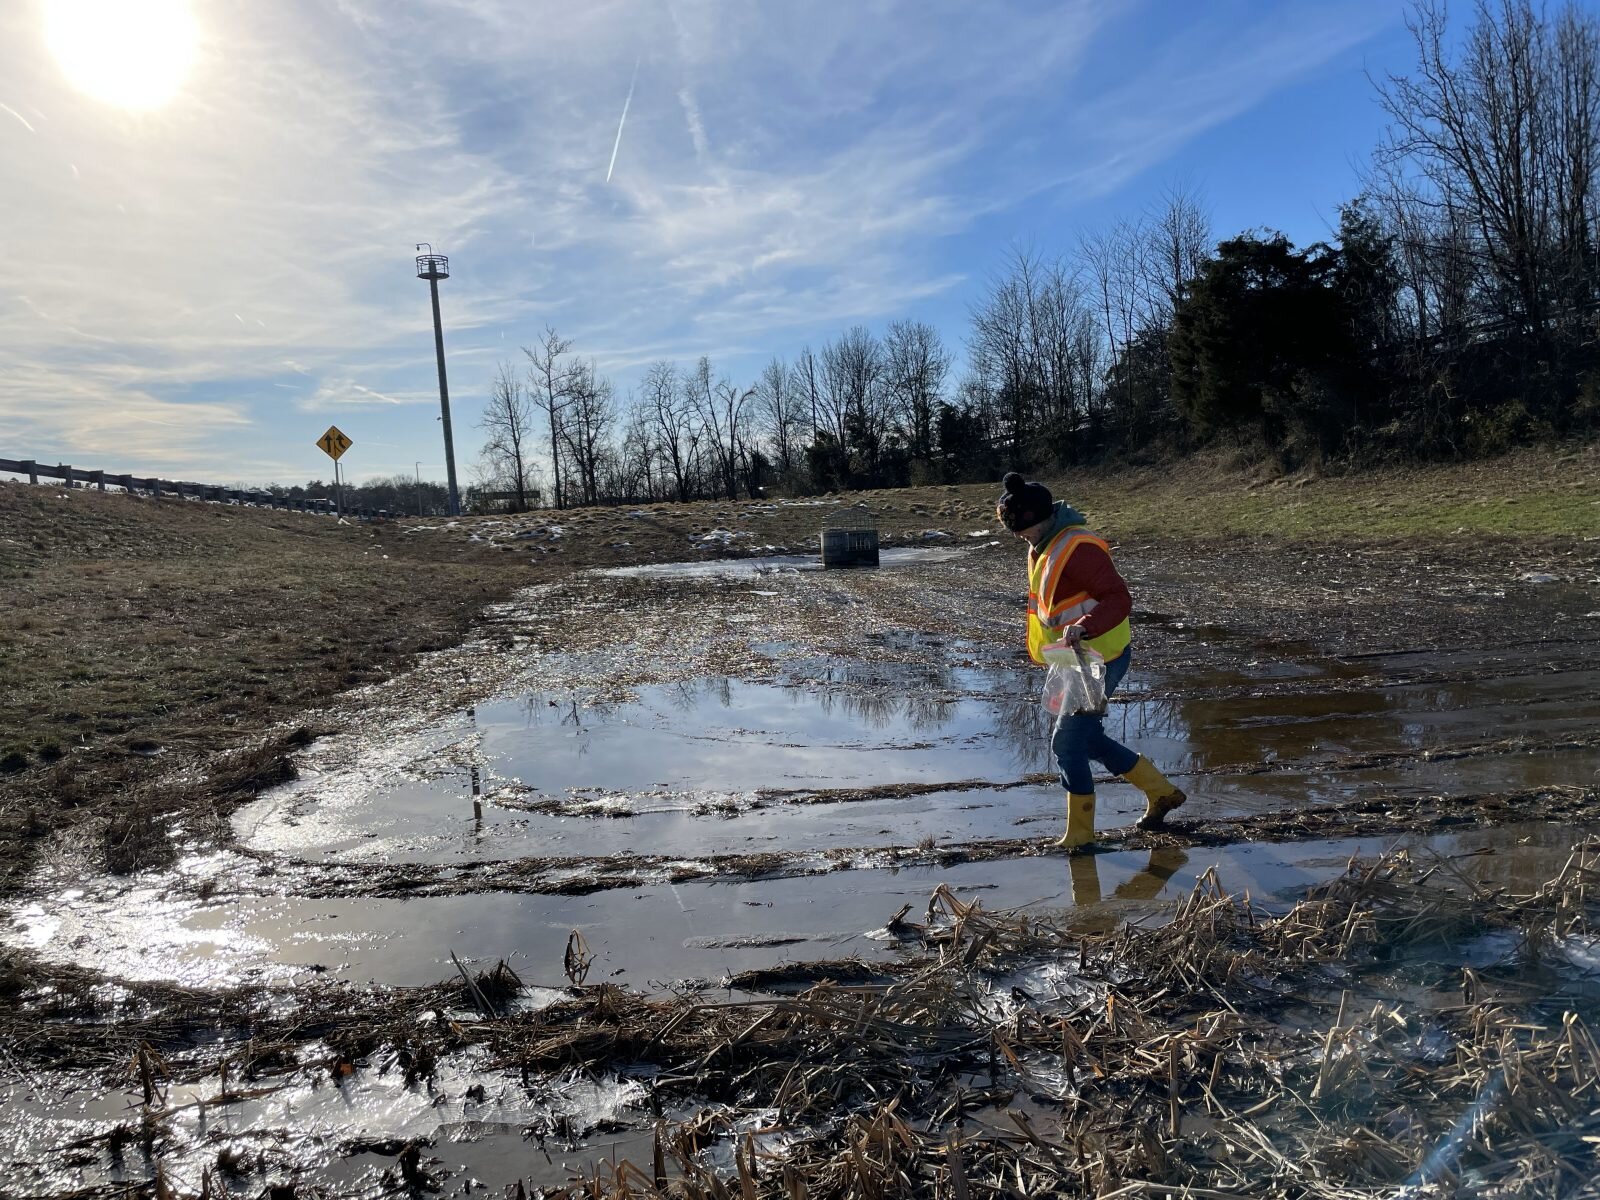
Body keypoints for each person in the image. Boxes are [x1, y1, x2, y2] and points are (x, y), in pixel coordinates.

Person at [996, 471, 1186, 850]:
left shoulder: (1077, 547)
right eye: (1016, 531)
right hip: (1075, 658)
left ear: (1043, 517)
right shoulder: (1043, 544)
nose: (1020, 537)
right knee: (1089, 738)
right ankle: (1161, 792)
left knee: (1067, 743)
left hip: (1103, 656)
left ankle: (1080, 837)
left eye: (1023, 529)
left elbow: (1118, 597)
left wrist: (1086, 625)